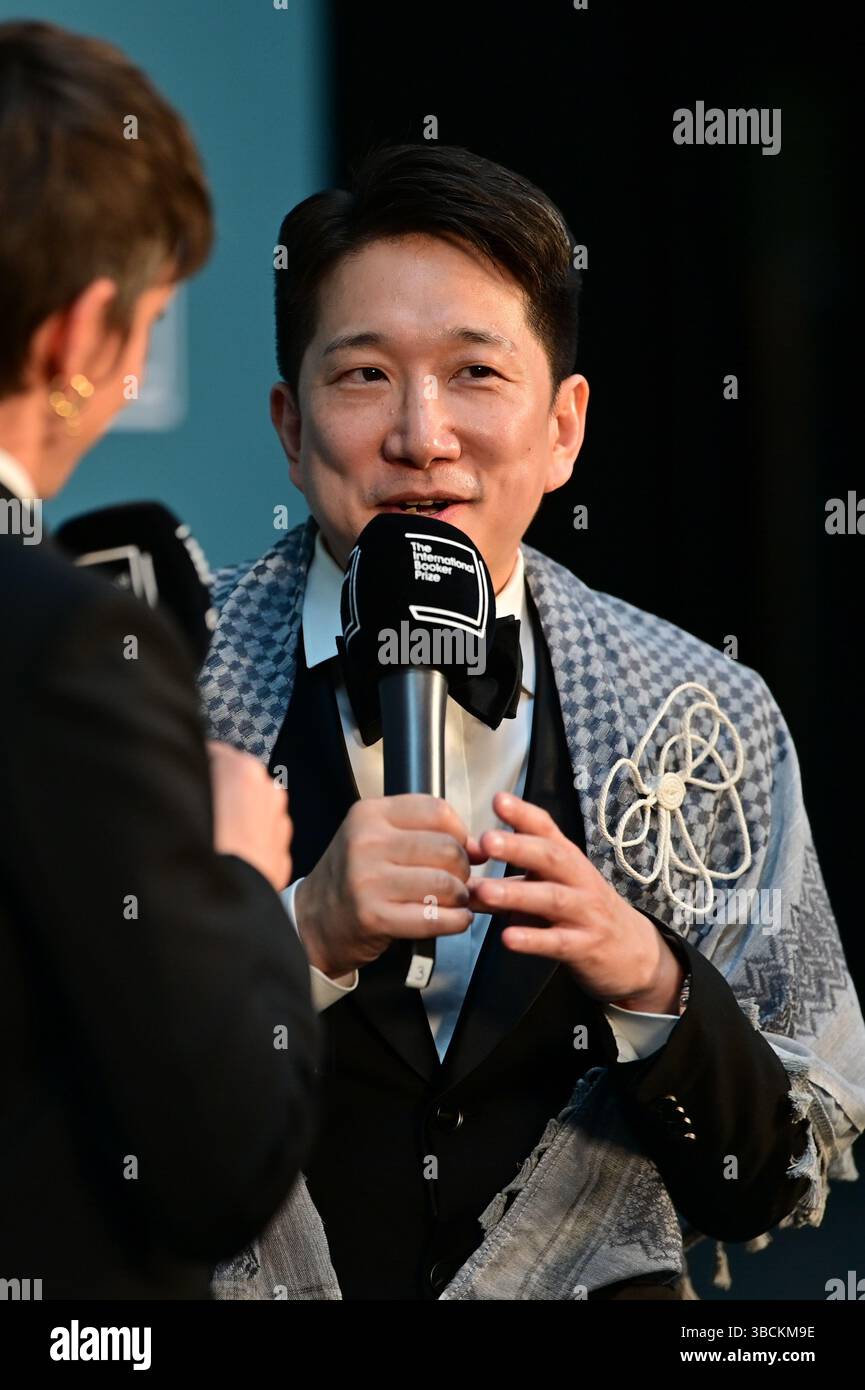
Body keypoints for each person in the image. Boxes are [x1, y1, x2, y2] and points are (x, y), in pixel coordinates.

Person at [201, 143, 865, 1301]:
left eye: (474, 374)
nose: (421, 433)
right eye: (362, 376)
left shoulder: (703, 716)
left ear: (564, 429)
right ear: (289, 427)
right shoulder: (151, 682)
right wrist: (297, 936)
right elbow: (55, 1135)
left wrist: (653, 979)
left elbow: (770, 1178)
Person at [0, 21, 317, 1300]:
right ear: (81, 336)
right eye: (147, 329)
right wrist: (239, 871)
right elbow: (224, 1159)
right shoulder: (68, 641)